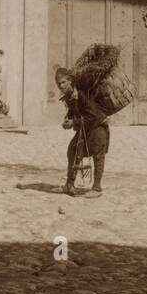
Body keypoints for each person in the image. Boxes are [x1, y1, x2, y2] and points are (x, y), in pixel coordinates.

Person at [57, 66, 109, 198]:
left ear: (70, 81)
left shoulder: (82, 94)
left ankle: (97, 188)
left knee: (98, 156)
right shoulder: (69, 97)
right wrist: (68, 118)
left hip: (98, 129)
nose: (61, 86)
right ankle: (69, 184)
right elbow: (75, 111)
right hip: (86, 129)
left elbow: (93, 117)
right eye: (59, 84)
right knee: (72, 150)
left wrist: (74, 123)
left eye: (63, 82)